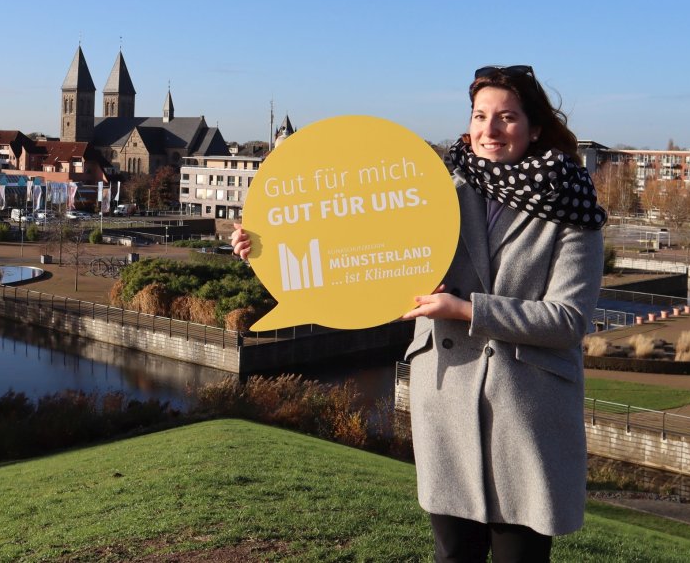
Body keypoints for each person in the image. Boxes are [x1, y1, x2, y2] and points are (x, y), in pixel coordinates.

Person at [231, 64, 605, 562]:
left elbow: (567, 320)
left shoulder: (573, 208)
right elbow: (352, 242)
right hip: (446, 398)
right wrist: (266, 246)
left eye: (507, 118)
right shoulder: (437, 192)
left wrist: (467, 309)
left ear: (534, 128)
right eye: (479, 116)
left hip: (526, 410)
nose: (489, 130)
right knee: (452, 556)